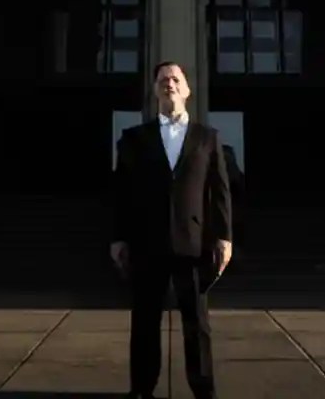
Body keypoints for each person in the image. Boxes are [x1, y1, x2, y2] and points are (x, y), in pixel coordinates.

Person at [110, 61, 233, 399]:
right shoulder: (134, 139)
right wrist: (118, 237)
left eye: (176, 79)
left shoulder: (208, 138)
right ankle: (142, 389)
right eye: (163, 80)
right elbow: (121, 192)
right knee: (145, 323)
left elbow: (220, 192)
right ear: (155, 90)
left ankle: (203, 390)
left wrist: (224, 237)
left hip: (193, 244)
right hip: (147, 242)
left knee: (197, 325)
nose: (170, 84)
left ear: (187, 89)